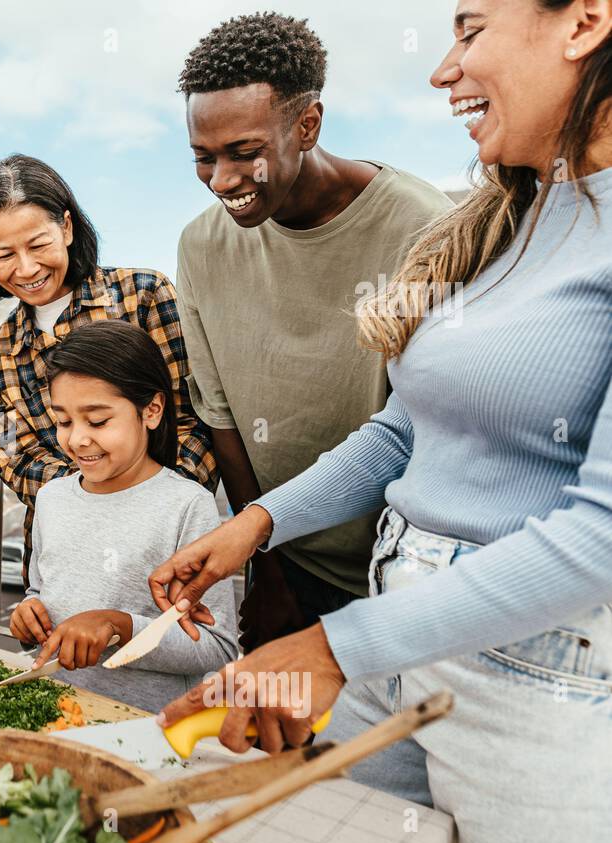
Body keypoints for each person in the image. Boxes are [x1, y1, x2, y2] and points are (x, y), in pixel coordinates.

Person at [150, 0, 612, 843]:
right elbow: (403, 432)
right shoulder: (510, 218)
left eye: (471, 32)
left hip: (539, 681)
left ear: (585, 23)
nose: (443, 69)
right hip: (401, 631)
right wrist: (253, 528)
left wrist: (332, 645)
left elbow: (602, 536)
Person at [174, 12, 454, 653]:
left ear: (307, 125)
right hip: (282, 561)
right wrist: (266, 564)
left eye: (245, 153)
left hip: (399, 574)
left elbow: (424, 424)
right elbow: (221, 417)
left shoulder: (423, 227)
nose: (222, 181)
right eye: (203, 157)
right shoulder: (200, 246)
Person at [0, 154, 215, 584]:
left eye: (38, 245)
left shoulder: (144, 297)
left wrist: (145, 507)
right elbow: (15, 460)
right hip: (60, 564)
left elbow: (195, 422)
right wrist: (89, 498)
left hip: (165, 552)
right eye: (5, 254)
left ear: (67, 228)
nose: (28, 268)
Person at [11, 322, 236, 713]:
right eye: (64, 421)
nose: (77, 439)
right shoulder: (51, 499)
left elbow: (216, 646)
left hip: (151, 729)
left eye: (97, 421)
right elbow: (40, 595)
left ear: (151, 410)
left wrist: (122, 625)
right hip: (59, 715)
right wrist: (28, 616)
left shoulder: (186, 506)